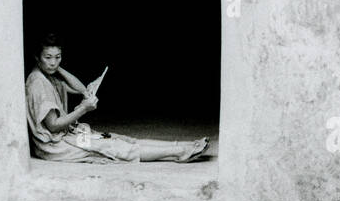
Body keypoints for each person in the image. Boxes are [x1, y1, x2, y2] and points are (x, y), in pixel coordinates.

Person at [25, 33, 209, 163]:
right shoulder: (37, 83)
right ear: (36, 57)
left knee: (120, 139)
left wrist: (57, 68)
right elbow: (53, 125)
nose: (53, 62)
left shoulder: (48, 74)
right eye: (48, 57)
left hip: (68, 136)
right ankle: (181, 152)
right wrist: (83, 109)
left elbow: (81, 90)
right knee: (116, 148)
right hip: (57, 146)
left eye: (58, 57)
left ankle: (185, 145)